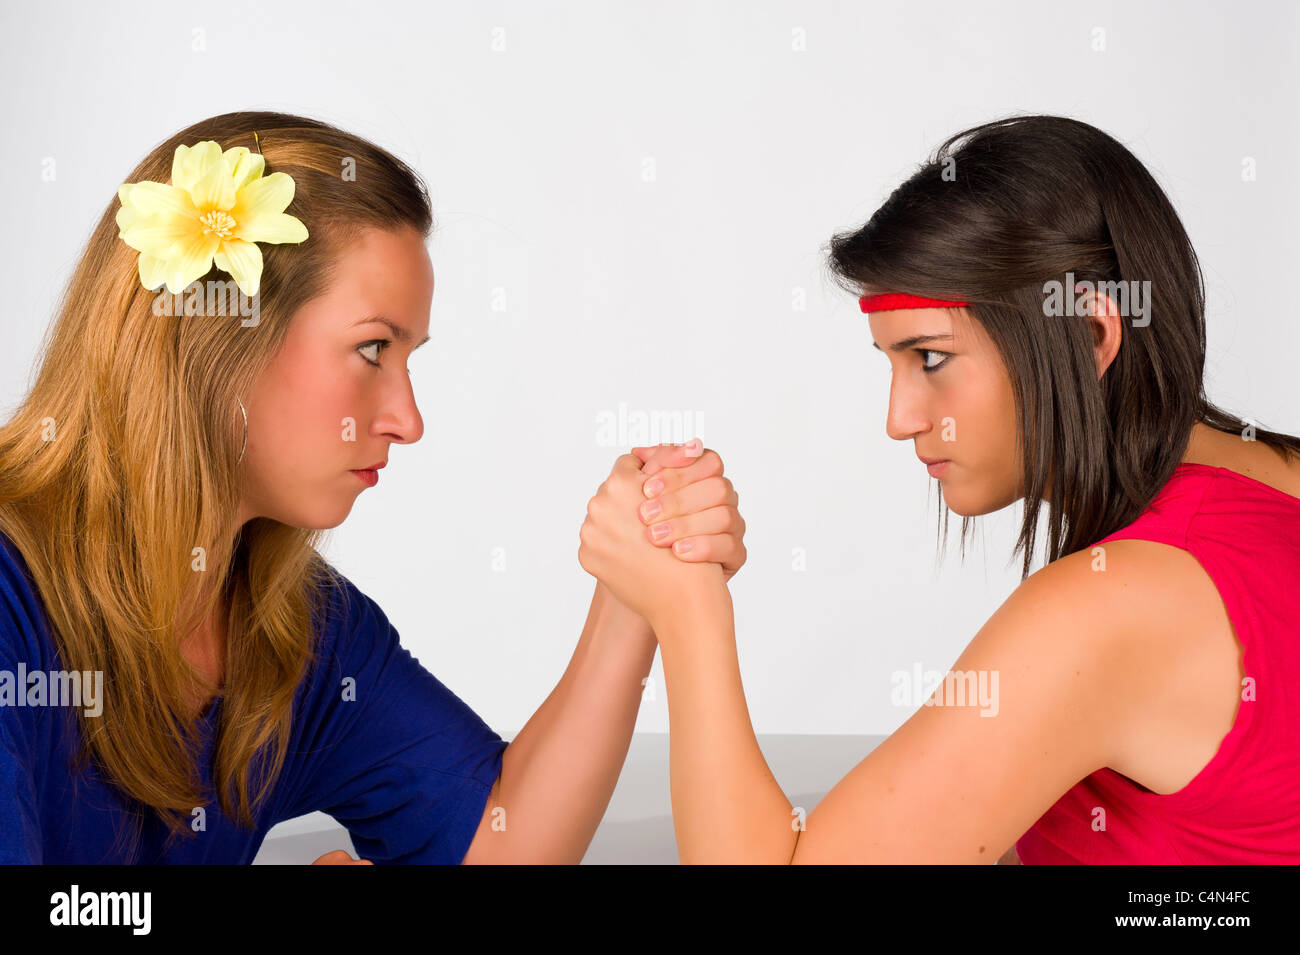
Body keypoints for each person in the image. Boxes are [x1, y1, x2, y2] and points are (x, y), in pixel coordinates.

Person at [0, 111, 747, 864]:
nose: (408, 419)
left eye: (408, 356)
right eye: (371, 348)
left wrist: (635, 581)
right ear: (219, 337)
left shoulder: (293, 627)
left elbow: (497, 841)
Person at [577, 114, 1300, 863]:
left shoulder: (1119, 602)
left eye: (929, 357)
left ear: (1088, 337)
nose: (898, 419)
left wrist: (686, 604)